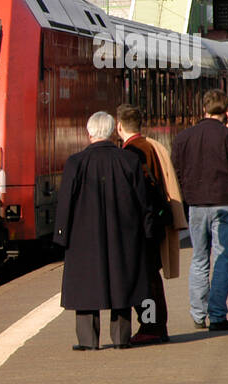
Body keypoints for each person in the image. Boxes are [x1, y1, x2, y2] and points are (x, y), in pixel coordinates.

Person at [56, 111, 155, 350]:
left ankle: (88, 340)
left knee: (86, 285)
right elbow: (143, 201)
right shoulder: (128, 160)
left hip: (83, 237)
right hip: (124, 234)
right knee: (123, 283)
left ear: (89, 132)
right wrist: (147, 230)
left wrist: (61, 235)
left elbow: (65, 204)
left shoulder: (75, 163)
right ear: (112, 132)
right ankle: (121, 338)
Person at [171, 89, 228, 331]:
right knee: (222, 260)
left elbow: (175, 171)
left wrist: (187, 197)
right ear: (227, 113)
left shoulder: (183, 138)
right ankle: (217, 316)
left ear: (203, 110)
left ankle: (198, 315)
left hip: (196, 206)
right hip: (225, 206)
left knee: (199, 259)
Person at [115, 104, 187, 344]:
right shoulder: (152, 146)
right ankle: (155, 326)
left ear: (119, 127)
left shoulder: (131, 152)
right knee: (151, 278)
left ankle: (151, 326)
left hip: (142, 227)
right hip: (155, 223)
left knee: (145, 281)